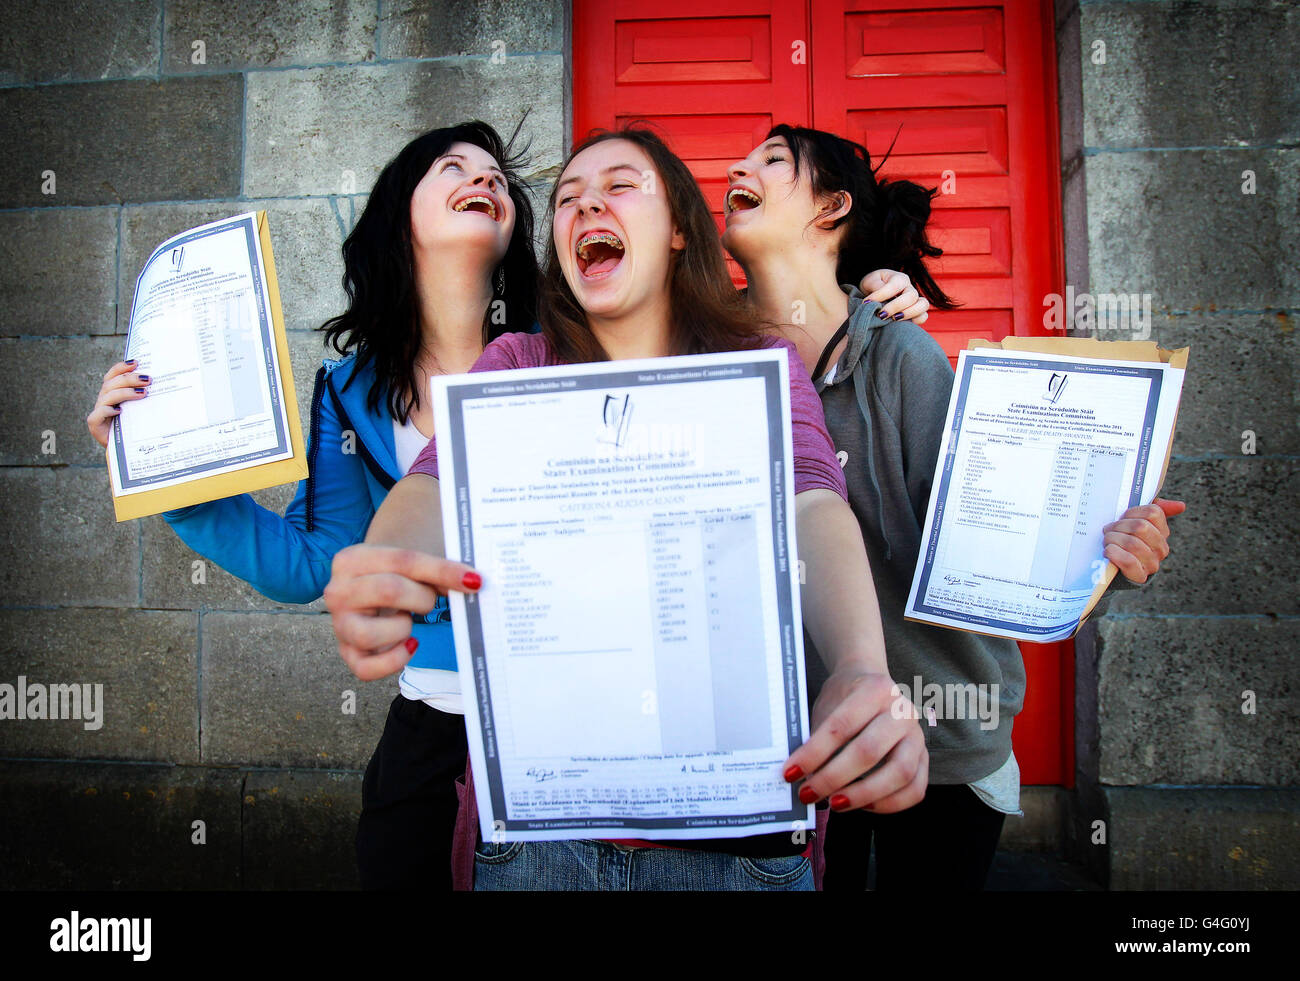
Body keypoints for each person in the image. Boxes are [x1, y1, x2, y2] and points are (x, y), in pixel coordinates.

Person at [323, 125, 931, 890]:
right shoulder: (519, 361)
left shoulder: (758, 360)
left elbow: (812, 503)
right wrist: (388, 557)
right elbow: (436, 485)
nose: (586, 207)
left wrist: (858, 665)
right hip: (536, 842)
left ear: (679, 228)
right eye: (568, 200)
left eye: (619, 186)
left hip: (740, 845)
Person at [720, 124, 1185, 891]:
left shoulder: (901, 355)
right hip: (788, 741)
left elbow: (994, 529)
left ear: (832, 207)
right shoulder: (706, 355)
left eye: (773, 160)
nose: (739, 166)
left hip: (942, 733)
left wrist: (1108, 548)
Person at [86, 120, 541, 890]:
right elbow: (313, 562)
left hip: (564, 729)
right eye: (455, 168)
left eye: (498, 178)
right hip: (428, 737)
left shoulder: (563, 353)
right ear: (400, 219)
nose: (486, 180)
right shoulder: (346, 392)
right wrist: (157, 466)